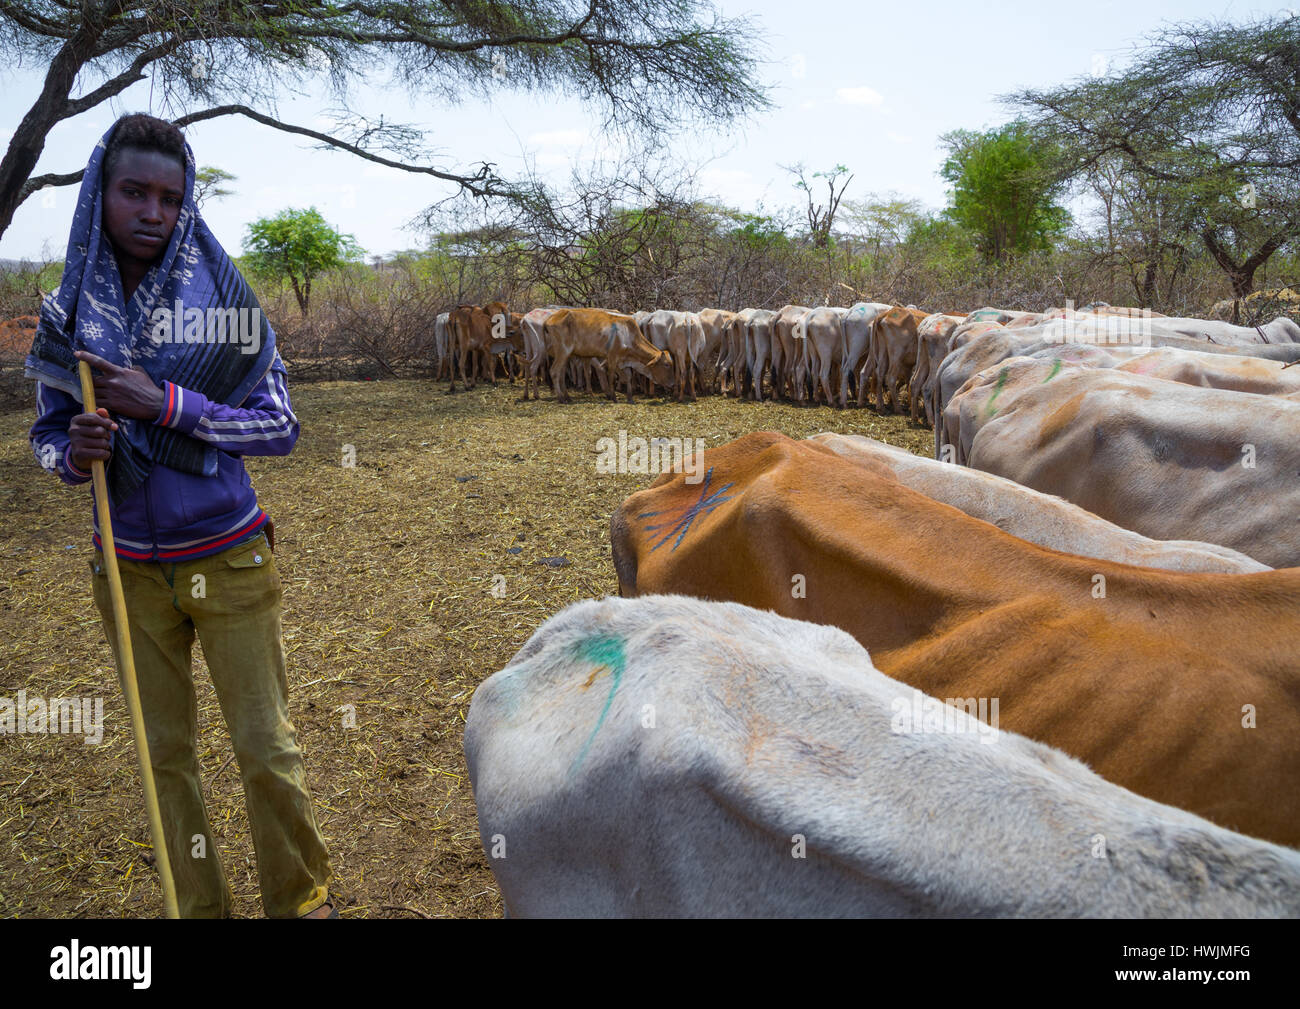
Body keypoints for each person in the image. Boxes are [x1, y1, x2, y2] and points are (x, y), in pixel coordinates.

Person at [25, 113, 334, 919]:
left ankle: (301, 904)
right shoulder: (68, 315)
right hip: (125, 569)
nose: (153, 211)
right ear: (102, 193)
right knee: (165, 757)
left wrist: (163, 401)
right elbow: (45, 437)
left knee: (265, 749)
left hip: (229, 556)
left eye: (170, 195)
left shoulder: (225, 305)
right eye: (135, 192)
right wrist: (76, 453)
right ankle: (197, 910)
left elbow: (280, 427)